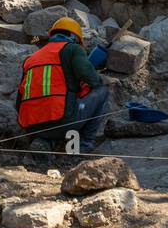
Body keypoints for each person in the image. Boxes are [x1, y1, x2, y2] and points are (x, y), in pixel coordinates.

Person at [16, 17, 109, 155]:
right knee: (102, 92)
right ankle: (83, 146)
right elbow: (92, 79)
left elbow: (19, 102)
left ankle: (43, 142)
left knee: (49, 124)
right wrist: (96, 79)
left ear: (52, 35)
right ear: (75, 38)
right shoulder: (72, 49)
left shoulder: (31, 58)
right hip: (63, 121)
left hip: (31, 126)